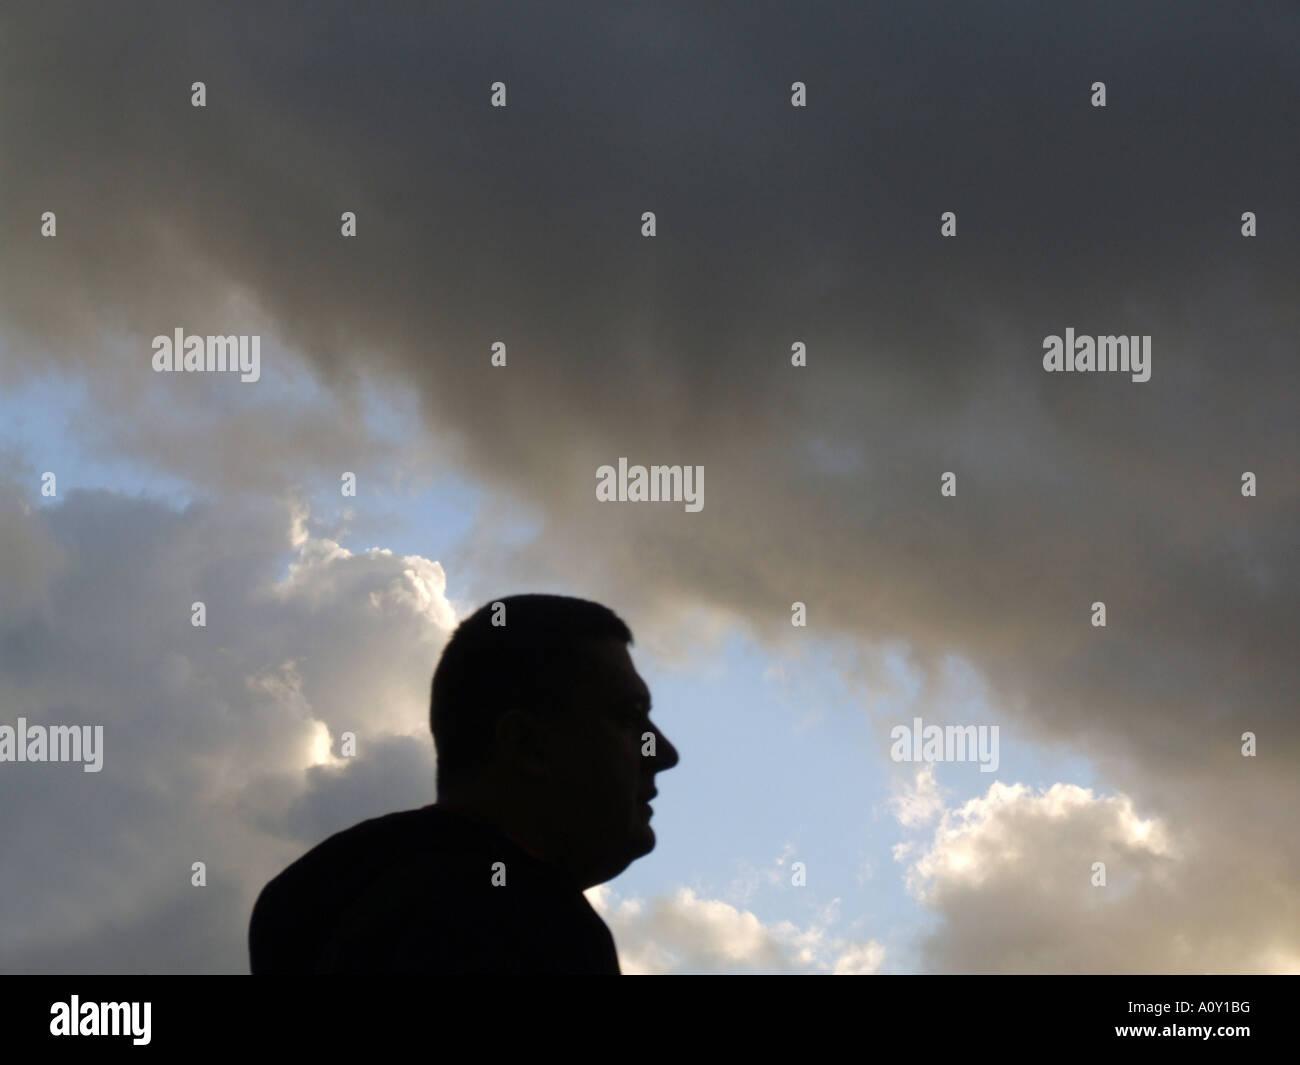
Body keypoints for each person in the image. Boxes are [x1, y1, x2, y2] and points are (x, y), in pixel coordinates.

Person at [248, 593, 679, 973]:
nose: (662, 752)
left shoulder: (307, 899)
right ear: (528, 745)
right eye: (628, 717)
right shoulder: (534, 921)